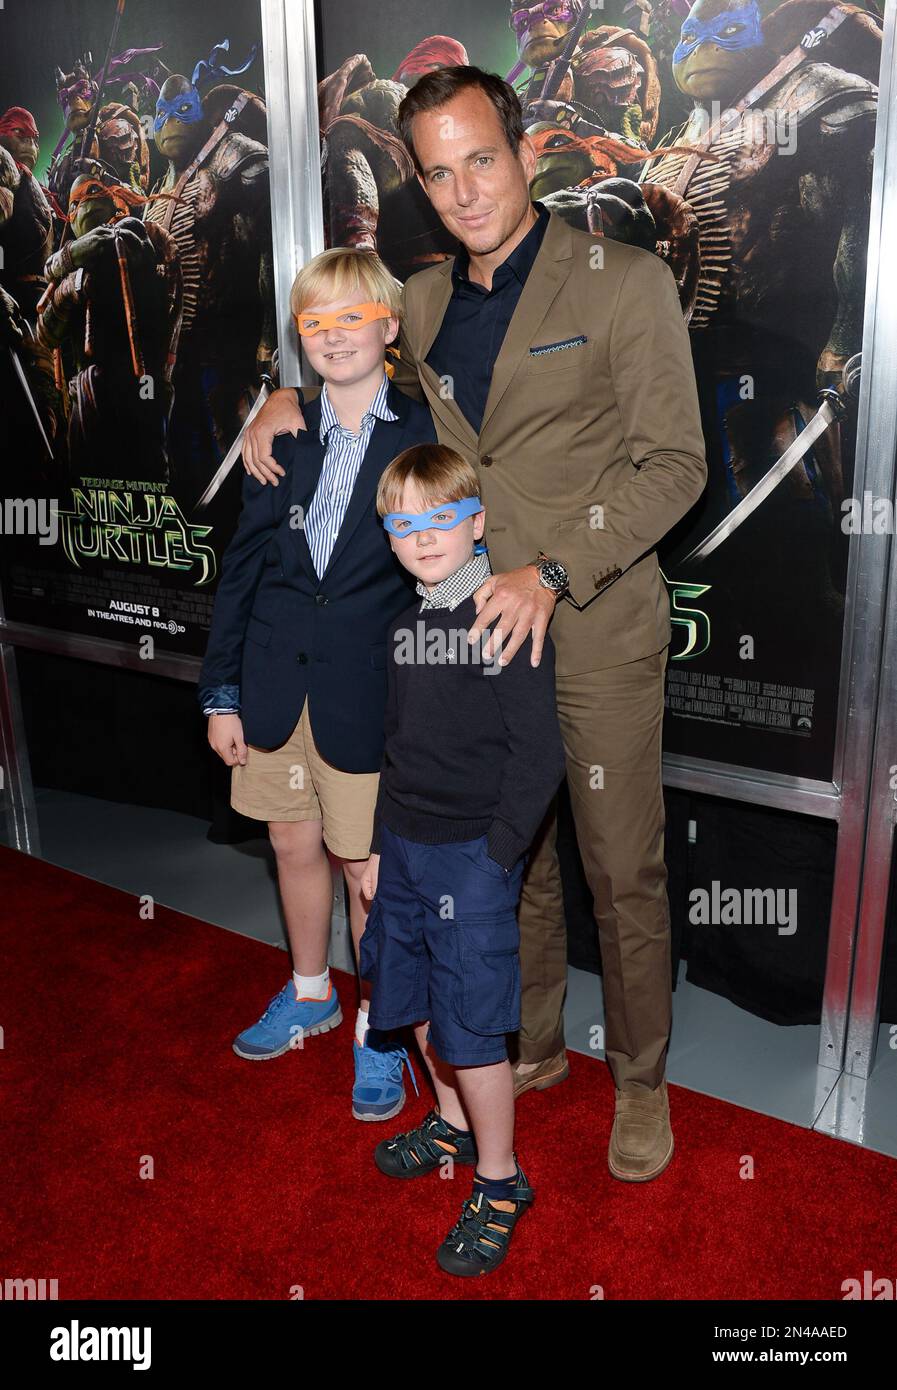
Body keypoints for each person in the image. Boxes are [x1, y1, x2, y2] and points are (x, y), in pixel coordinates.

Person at [241, 66, 708, 1183]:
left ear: (526, 149)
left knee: (617, 866)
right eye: (439, 173)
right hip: (466, 628)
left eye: (482, 159)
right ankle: (527, 1042)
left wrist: (552, 569)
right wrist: (278, 385)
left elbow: (677, 466)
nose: (466, 190)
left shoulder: (623, 278)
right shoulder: (427, 294)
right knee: (514, 859)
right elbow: (338, 334)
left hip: (589, 617)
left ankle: (641, 1083)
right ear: (418, 181)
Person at [198, 246, 436, 1121]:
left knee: (366, 874)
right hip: (270, 688)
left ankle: (379, 1027)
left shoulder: (422, 436)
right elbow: (244, 571)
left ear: (388, 325)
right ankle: (309, 991)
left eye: (351, 317)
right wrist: (220, 694)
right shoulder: (280, 435)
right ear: (298, 338)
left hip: (368, 701)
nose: (333, 335)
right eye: (314, 321)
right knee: (292, 848)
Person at [359, 441, 566, 1276]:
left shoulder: (503, 615)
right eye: (402, 524)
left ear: (475, 522)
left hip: (472, 855)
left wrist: (497, 857)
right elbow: (396, 747)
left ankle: (499, 1177)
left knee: (473, 1027)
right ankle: (448, 1122)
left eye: (439, 518)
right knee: (404, 997)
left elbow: (540, 755)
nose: (422, 536)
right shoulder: (405, 623)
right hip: (403, 848)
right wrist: (376, 849)